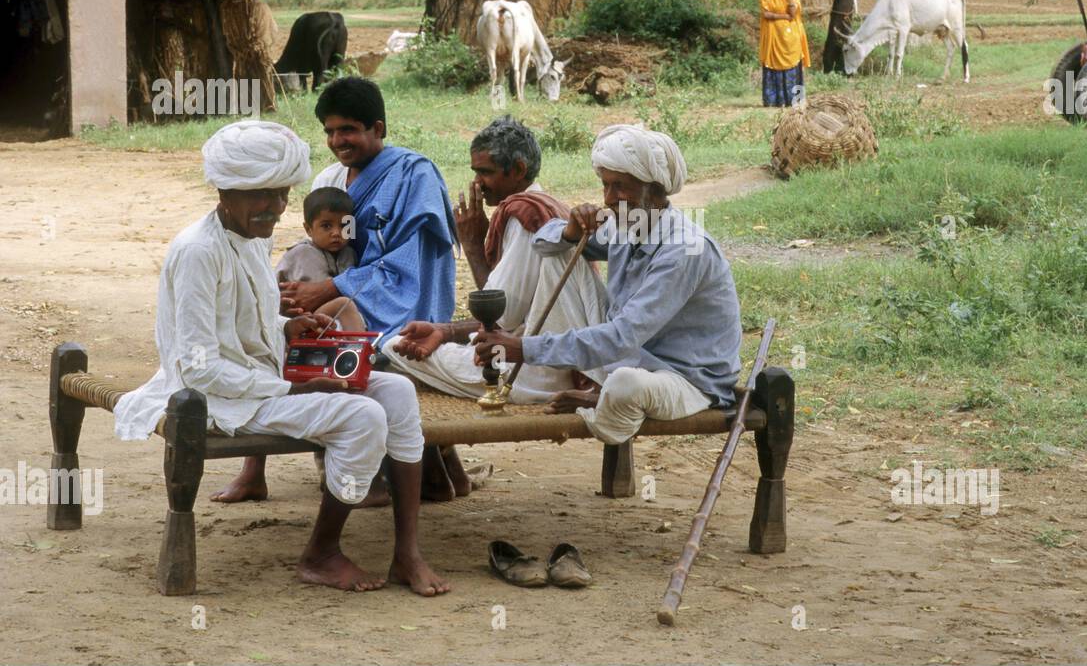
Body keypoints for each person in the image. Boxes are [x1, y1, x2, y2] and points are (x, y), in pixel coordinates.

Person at [113, 119, 448, 595]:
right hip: (221, 397)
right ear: (225, 192)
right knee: (363, 418)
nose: (274, 208)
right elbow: (197, 367)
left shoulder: (253, 238)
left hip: (262, 379)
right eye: (260, 195)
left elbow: (250, 324)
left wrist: (286, 327)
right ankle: (321, 554)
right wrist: (295, 386)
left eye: (282, 194)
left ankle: (406, 552)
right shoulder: (197, 252)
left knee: (395, 389)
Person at [212, 76, 460, 504]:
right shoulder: (332, 178)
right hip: (338, 300)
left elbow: (412, 264)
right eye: (329, 131)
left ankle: (362, 470)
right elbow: (316, 248)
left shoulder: (413, 174)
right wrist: (295, 298)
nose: (337, 140)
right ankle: (255, 470)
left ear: (377, 129)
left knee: (318, 349)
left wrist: (331, 288)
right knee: (268, 339)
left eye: (348, 130)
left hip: (401, 307)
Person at [474, 124, 742, 447]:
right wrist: (571, 230)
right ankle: (588, 389)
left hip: (687, 381)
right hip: (633, 357)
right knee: (561, 253)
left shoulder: (684, 249)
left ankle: (601, 399)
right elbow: (544, 243)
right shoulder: (627, 225)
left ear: (655, 190)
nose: (608, 199)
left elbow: (624, 337)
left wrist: (525, 349)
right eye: (605, 185)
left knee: (626, 385)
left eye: (620, 187)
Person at [387, 119, 607, 498]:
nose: (477, 184)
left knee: (391, 349)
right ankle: (446, 472)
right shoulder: (548, 206)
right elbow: (513, 309)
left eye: (485, 173)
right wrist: (446, 331)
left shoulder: (523, 214)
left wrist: (472, 243)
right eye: (475, 173)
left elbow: (501, 314)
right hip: (560, 359)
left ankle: (429, 476)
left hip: (534, 375)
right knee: (426, 343)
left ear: (517, 170)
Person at [275, 186, 364, 333]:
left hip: (326, 315)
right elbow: (316, 296)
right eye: (326, 226)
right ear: (308, 229)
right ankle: (361, 348)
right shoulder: (304, 253)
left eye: (344, 226)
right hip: (297, 318)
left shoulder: (348, 253)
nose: (336, 233)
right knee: (344, 304)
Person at [758, 0, 811, 108]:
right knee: (773, 65)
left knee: (794, 67)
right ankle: (773, 101)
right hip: (773, 37)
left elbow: (793, 14)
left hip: (791, 39)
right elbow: (766, 14)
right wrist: (783, 16)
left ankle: (796, 100)